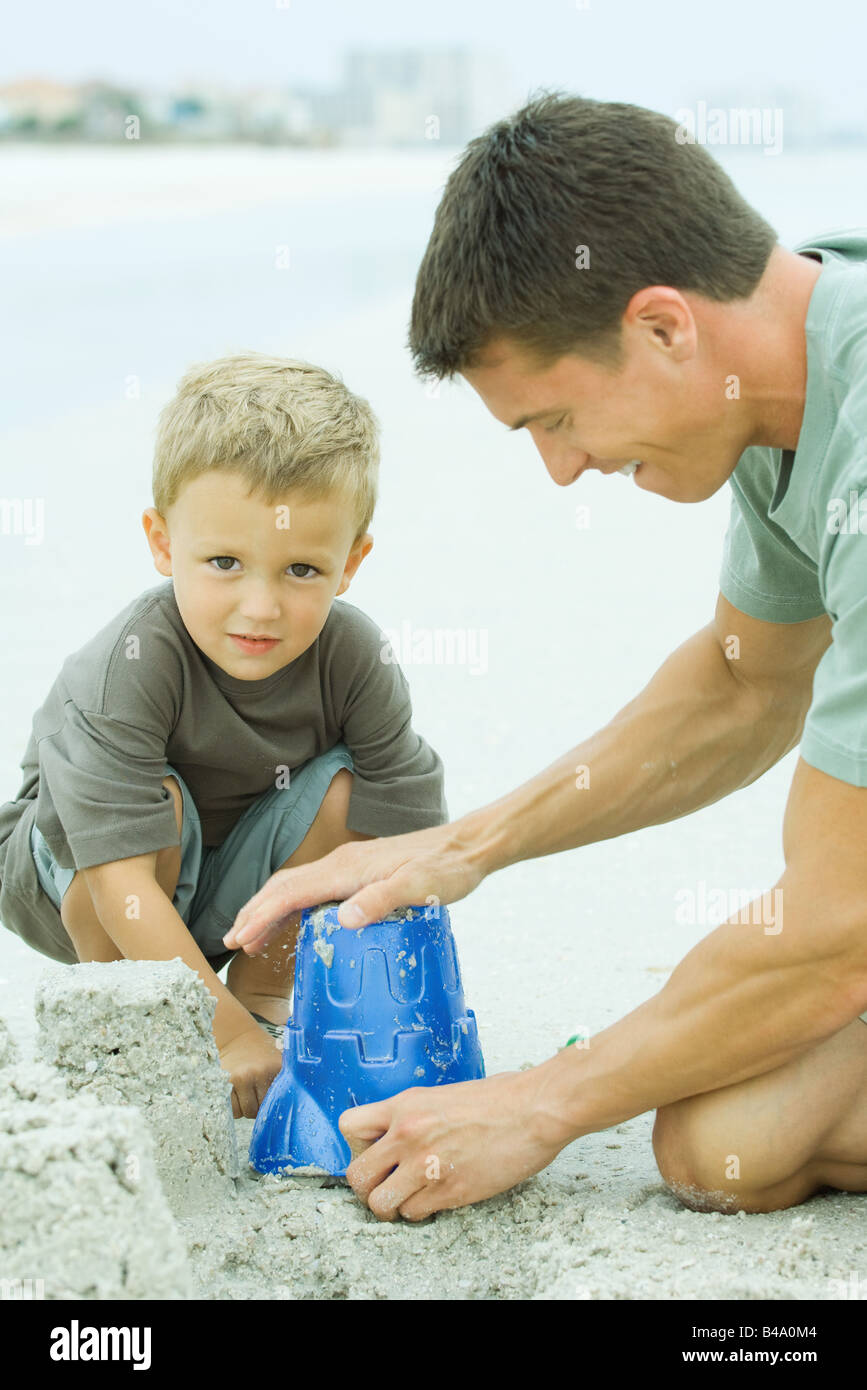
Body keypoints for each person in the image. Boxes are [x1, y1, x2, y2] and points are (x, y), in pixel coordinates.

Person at [222, 93, 867, 1223]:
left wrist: (541, 1101)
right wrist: (457, 849)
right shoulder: (789, 394)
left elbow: (839, 918)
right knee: (727, 1139)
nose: (564, 472)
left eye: (554, 421)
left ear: (665, 327)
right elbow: (738, 683)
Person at [0, 352, 448, 1118]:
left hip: (238, 882)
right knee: (158, 810)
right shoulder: (129, 666)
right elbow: (118, 882)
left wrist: (404, 1011)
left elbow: (409, 847)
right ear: (161, 541)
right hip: (83, 880)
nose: (260, 607)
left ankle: (265, 993)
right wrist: (221, 1034)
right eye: (224, 563)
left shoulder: (353, 658)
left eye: (301, 570)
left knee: (354, 796)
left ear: (352, 562)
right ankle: (130, 1016)